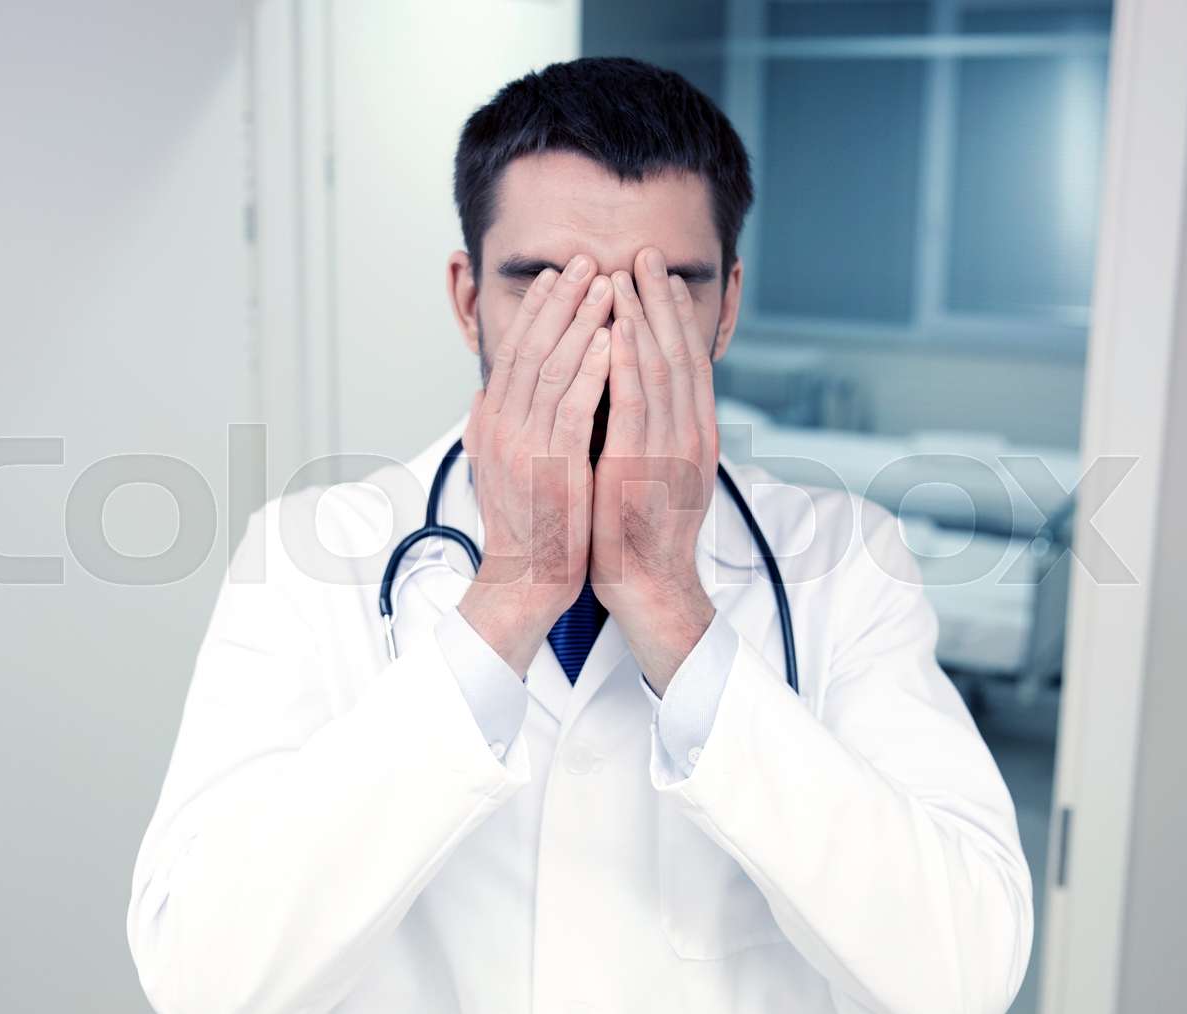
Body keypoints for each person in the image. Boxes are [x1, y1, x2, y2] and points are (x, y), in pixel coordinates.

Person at [127, 56, 1031, 1014]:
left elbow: (965, 975)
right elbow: (200, 976)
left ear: (725, 306)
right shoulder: (308, 556)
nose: (603, 338)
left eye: (662, 289)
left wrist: (672, 610)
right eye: (547, 286)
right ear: (470, 297)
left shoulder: (848, 563)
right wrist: (511, 598)